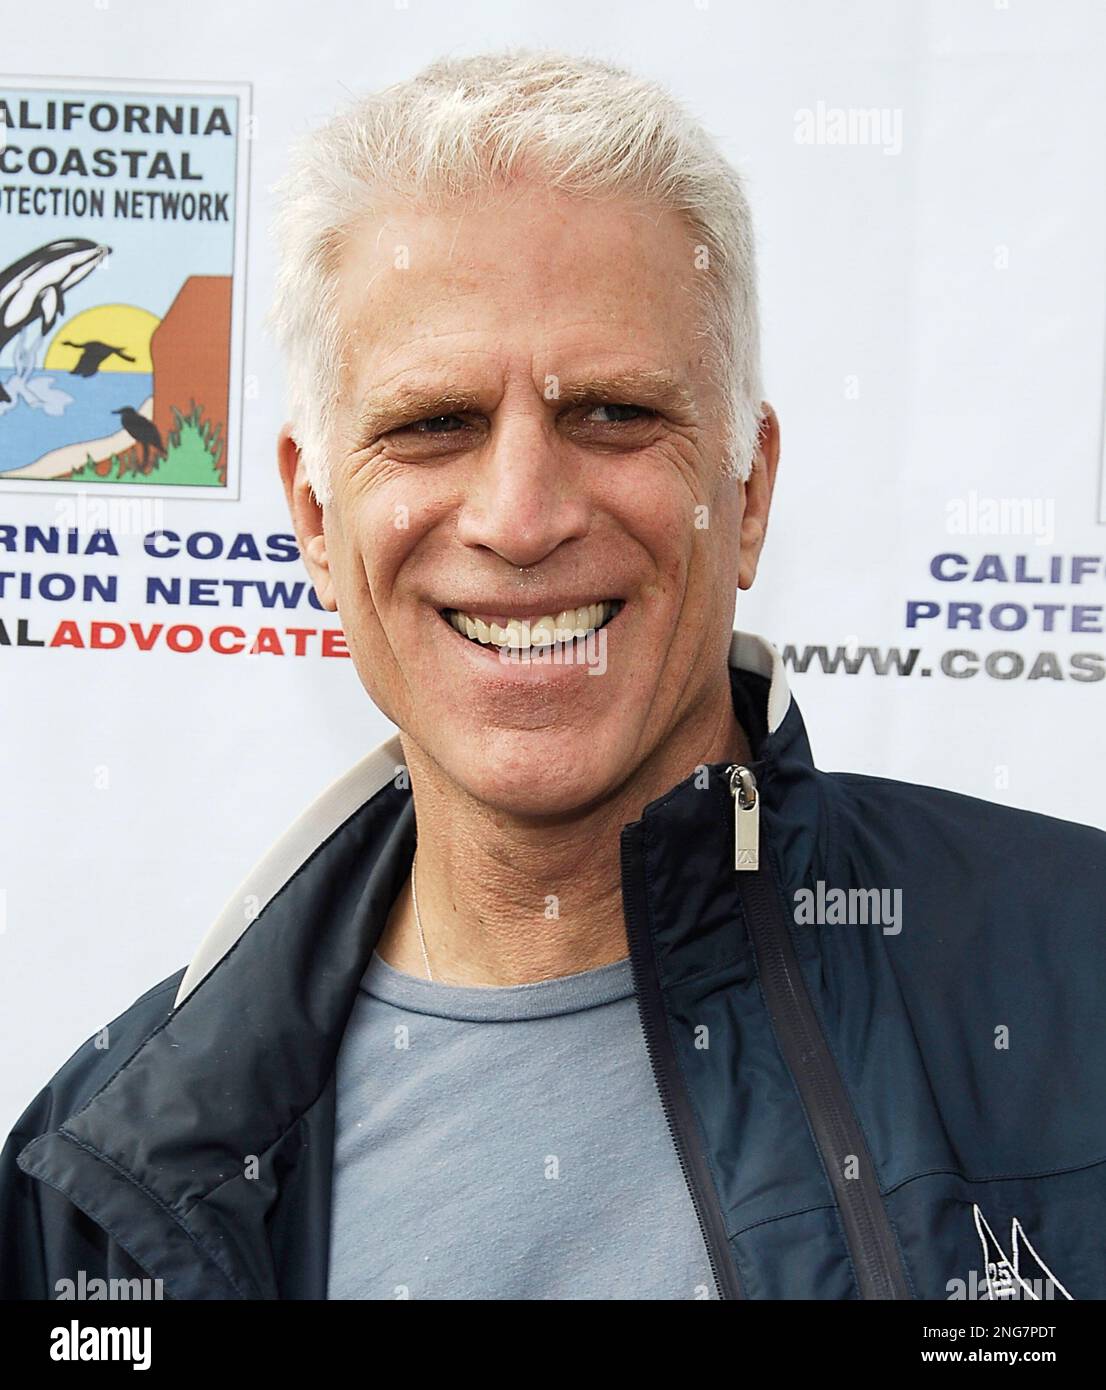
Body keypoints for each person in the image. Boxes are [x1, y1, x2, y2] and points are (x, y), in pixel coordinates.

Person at [2, 49, 1104, 1303]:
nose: (519, 517)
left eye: (611, 415)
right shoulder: (93, 1184)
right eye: (433, 424)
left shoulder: (1078, 972)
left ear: (745, 495)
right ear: (316, 517)